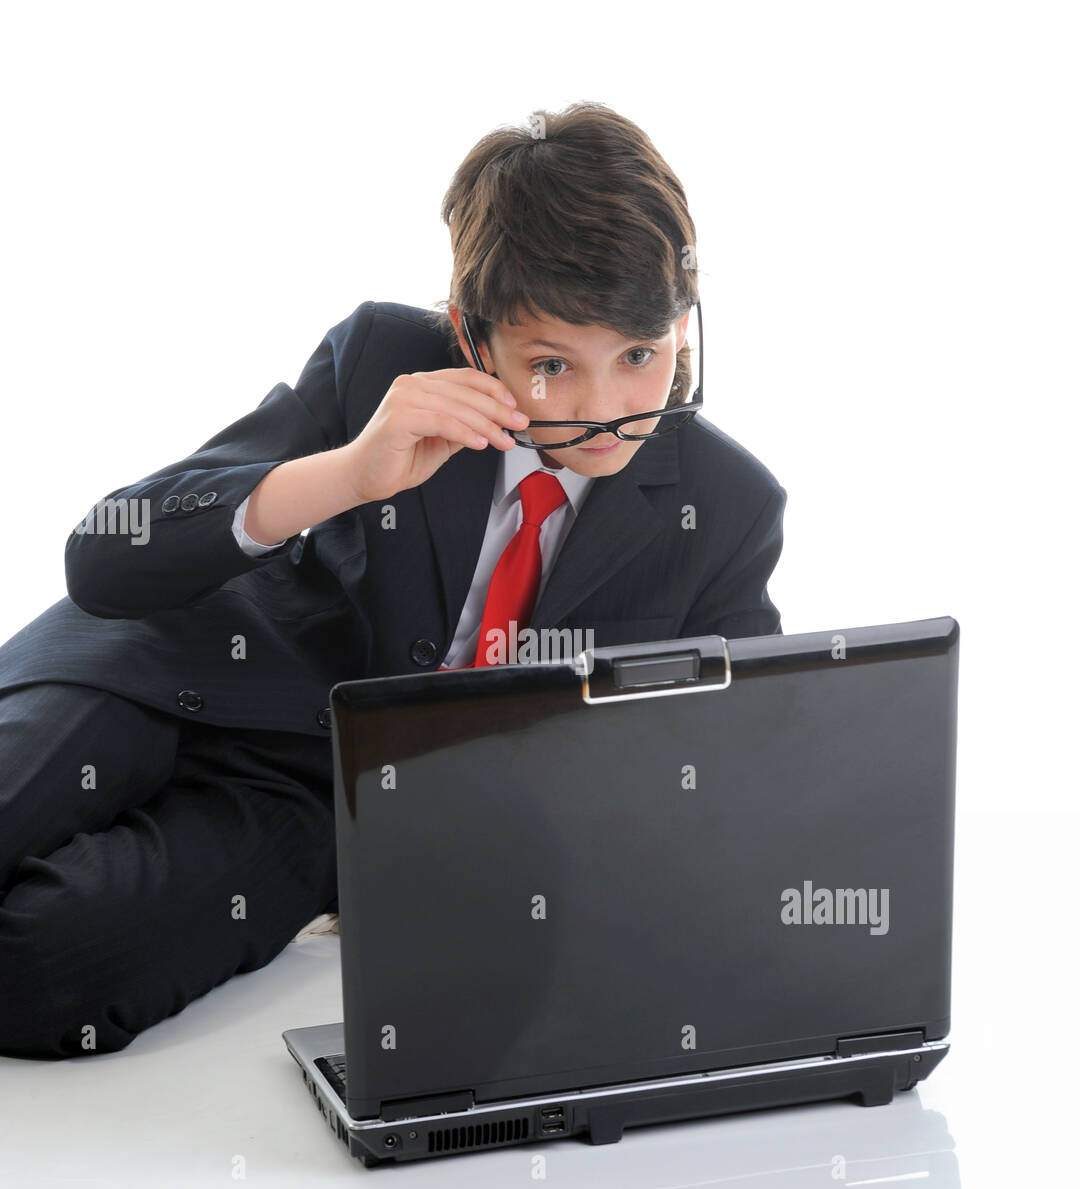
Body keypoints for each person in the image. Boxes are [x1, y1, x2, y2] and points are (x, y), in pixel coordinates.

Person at [0, 101, 787, 1060]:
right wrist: (348, 473)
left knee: (51, 968)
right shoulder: (382, 356)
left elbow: (737, 776)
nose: (607, 412)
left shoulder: (730, 508)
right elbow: (105, 559)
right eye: (551, 365)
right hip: (158, 667)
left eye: (640, 356)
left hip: (316, 807)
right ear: (472, 337)